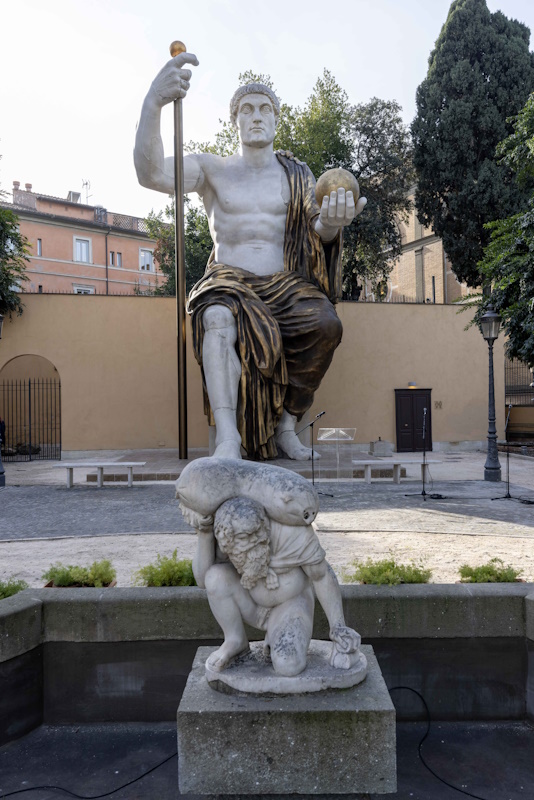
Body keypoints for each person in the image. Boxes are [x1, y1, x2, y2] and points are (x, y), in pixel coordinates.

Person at [134, 53, 366, 460]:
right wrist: (154, 102)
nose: (256, 116)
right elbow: (150, 173)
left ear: (277, 119)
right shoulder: (212, 169)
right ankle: (228, 436)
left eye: (265, 109)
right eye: (246, 109)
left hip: (285, 286)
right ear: (234, 121)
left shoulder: (299, 175)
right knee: (216, 318)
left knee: (327, 325)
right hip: (228, 282)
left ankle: (286, 425)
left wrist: (334, 224)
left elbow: (317, 233)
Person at [188, 495, 361, 676]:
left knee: (288, 666)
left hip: (290, 603)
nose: (237, 556)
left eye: (246, 547)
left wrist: (338, 626)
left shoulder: (292, 535)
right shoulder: (229, 536)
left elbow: (322, 574)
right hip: (252, 602)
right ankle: (235, 640)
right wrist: (205, 533)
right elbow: (203, 579)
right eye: (234, 552)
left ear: (260, 533)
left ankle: (280, 632)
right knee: (215, 577)